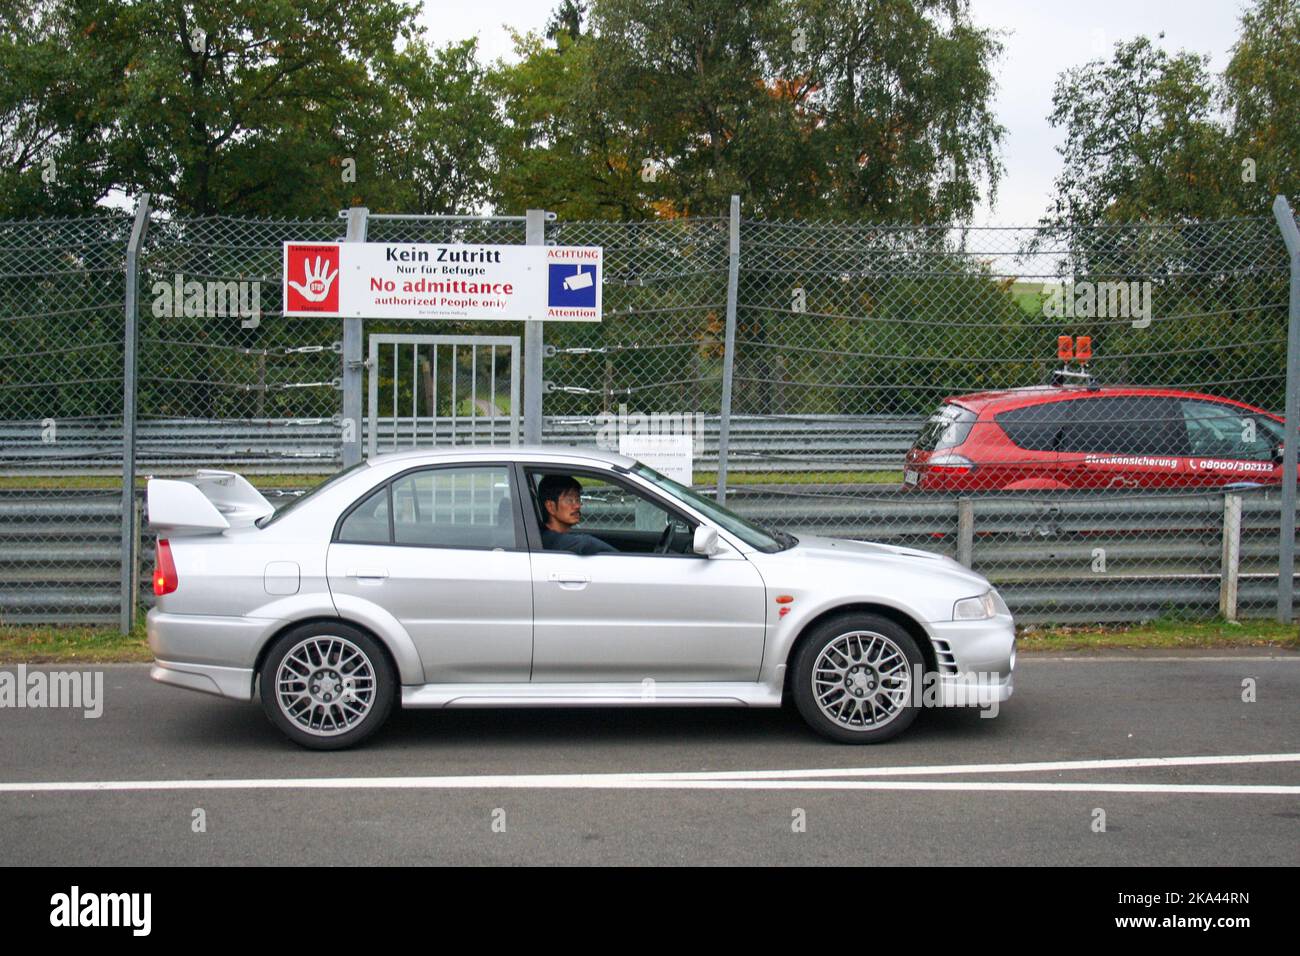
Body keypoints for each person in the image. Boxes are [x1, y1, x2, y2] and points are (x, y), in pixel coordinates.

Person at [536, 474, 618, 555]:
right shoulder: (549, 540)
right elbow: (587, 543)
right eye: (569, 500)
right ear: (550, 506)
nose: (577, 506)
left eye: (578, 499)